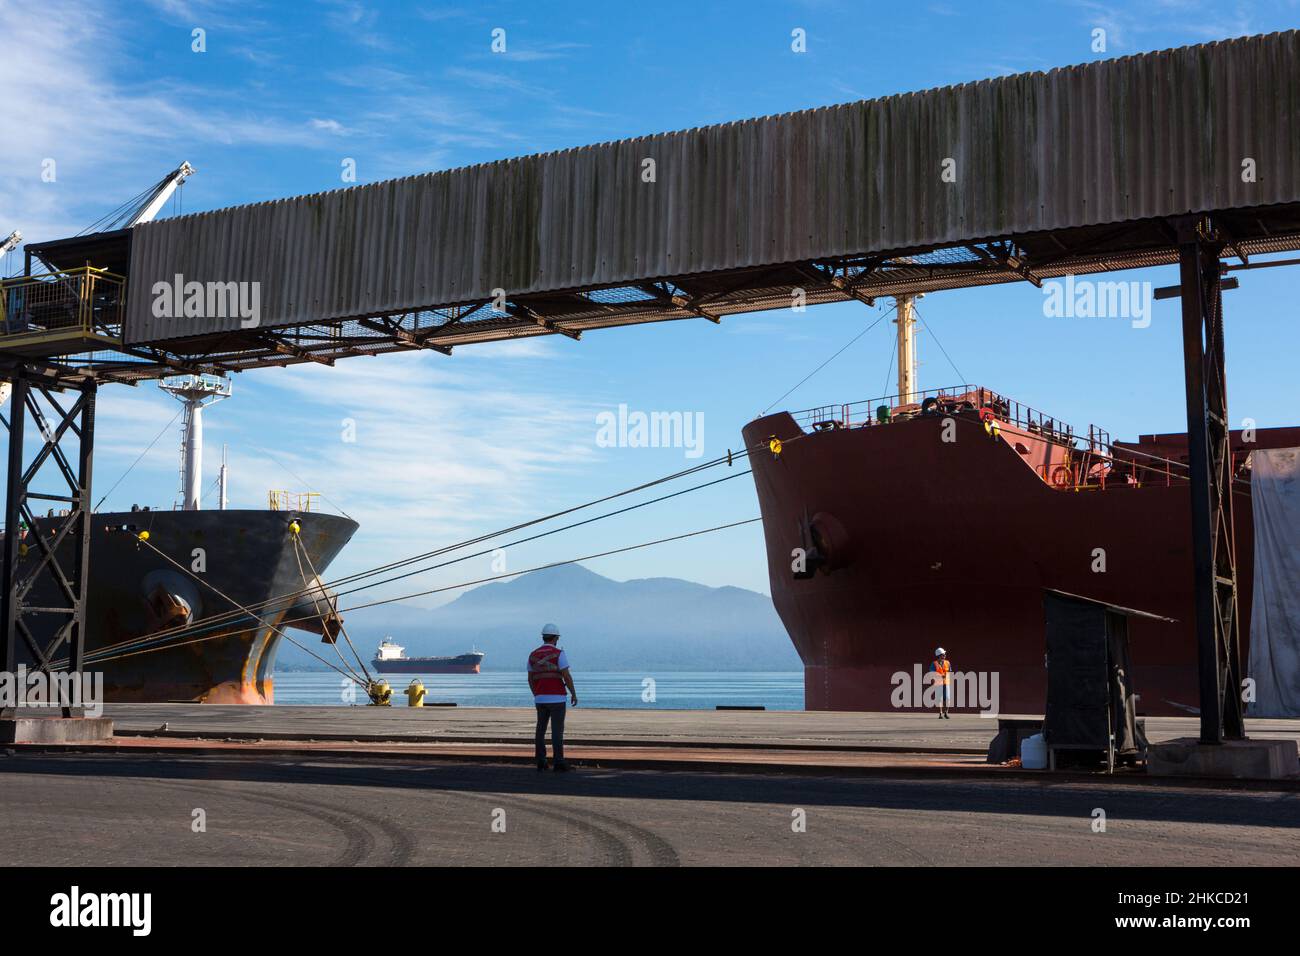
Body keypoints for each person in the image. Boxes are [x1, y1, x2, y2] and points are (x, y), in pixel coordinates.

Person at [527, 622, 578, 771]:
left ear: (543, 637)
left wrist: (536, 693)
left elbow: (530, 678)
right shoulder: (559, 654)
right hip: (557, 698)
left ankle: (541, 761)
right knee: (557, 731)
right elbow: (566, 676)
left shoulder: (533, 655)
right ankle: (559, 762)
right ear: (556, 638)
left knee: (540, 730)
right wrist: (573, 693)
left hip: (540, 699)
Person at [930, 647, 952, 718]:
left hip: (947, 683)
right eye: (943, 654)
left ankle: (946, 712)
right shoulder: (934, 664)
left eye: (944, 654)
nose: (945, 655)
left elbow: (950, 671)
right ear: (939, 655)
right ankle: (940, 713)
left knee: (948, 698)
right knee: (940, 699)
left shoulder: (947, 663)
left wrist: (947, 675)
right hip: (938, 683)